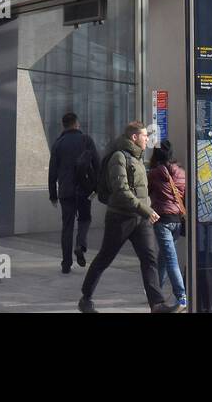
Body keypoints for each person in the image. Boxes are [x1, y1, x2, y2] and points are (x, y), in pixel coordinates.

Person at [78, 121, 176, 313]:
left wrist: (146, 209)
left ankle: (157, 304)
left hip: (140, 219)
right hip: (120, 218)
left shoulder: (138, 158)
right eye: (144, 135)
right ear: (134, 137)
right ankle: (86, 298)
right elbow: (121, 191)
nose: (147, 138)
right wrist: (146, 209)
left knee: (149, 260)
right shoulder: (119, 157)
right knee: (105, 258)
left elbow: (141, 189)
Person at [48, 111, 100, 274]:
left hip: (66, 191)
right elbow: (97, 164)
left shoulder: (58, 143)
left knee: (67, 226)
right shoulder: (86, 140)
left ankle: (66, 263)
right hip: (84, 189)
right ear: (77, 124)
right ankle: (80, 244)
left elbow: (52, 171)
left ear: (64, 125)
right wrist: (97, 187)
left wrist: (53, 194)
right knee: (85, 219)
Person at [147, 140, 188, 311]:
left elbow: (147, 191)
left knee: (170, 259)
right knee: (163, 258)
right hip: (177, 221)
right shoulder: (181, 172)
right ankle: (156, 293)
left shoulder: (154, 173)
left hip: (162, 220)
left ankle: (182, 298)